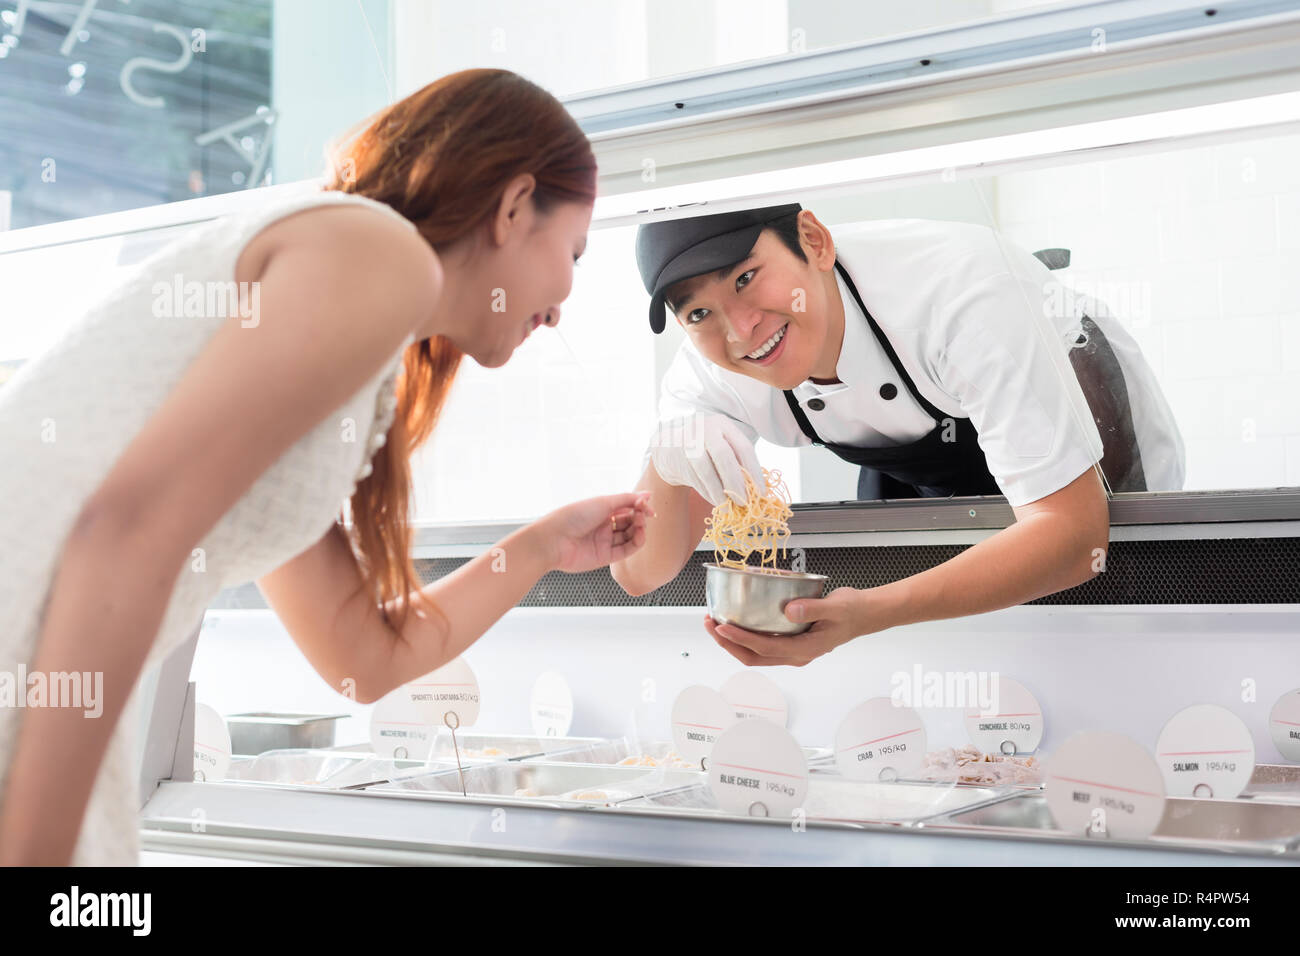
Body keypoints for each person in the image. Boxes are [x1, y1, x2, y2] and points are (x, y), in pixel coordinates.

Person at [0, 69, 652, 866]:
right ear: (515, 207)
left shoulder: (349, 346)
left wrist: (547, 545)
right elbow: (123, 534)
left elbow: (361, 661)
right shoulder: (374, 253)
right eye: (575, 251)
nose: (562, 304)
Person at [611, 203, 1184, 666]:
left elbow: (1076, 539)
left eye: (745, 278)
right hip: (920, 455)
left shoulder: (963, 293)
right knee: (926, 647)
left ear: (814, 240)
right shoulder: (707, 370)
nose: (739, 330)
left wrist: (869, 613)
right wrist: (667, 459)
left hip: (1074, 403)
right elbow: (640, 574)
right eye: (697, 314)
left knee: (1110, 609)